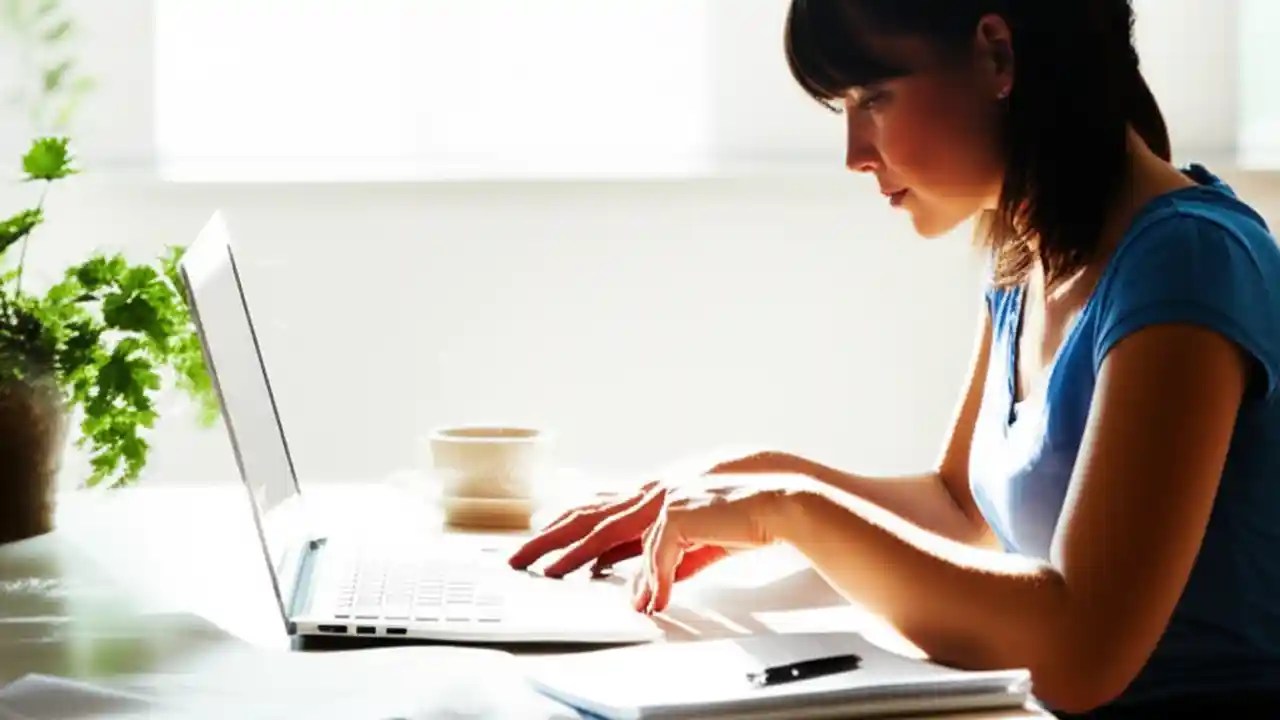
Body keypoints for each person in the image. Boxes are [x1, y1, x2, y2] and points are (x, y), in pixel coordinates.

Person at [508, 0, 1280, 716]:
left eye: (872, 97)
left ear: (997, 55)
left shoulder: (1188, 261)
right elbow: (957, 506)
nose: (853, 154)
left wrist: (791, 511)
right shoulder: (1030, 246)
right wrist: (749, 477)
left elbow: (1081, 654)